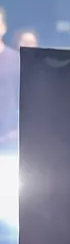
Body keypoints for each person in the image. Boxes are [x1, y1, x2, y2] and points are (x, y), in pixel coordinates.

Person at [0, 8, 20, 149]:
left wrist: (18, 130)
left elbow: (27, 98)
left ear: (3, 27)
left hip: (9, 142)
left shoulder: (16, 60)